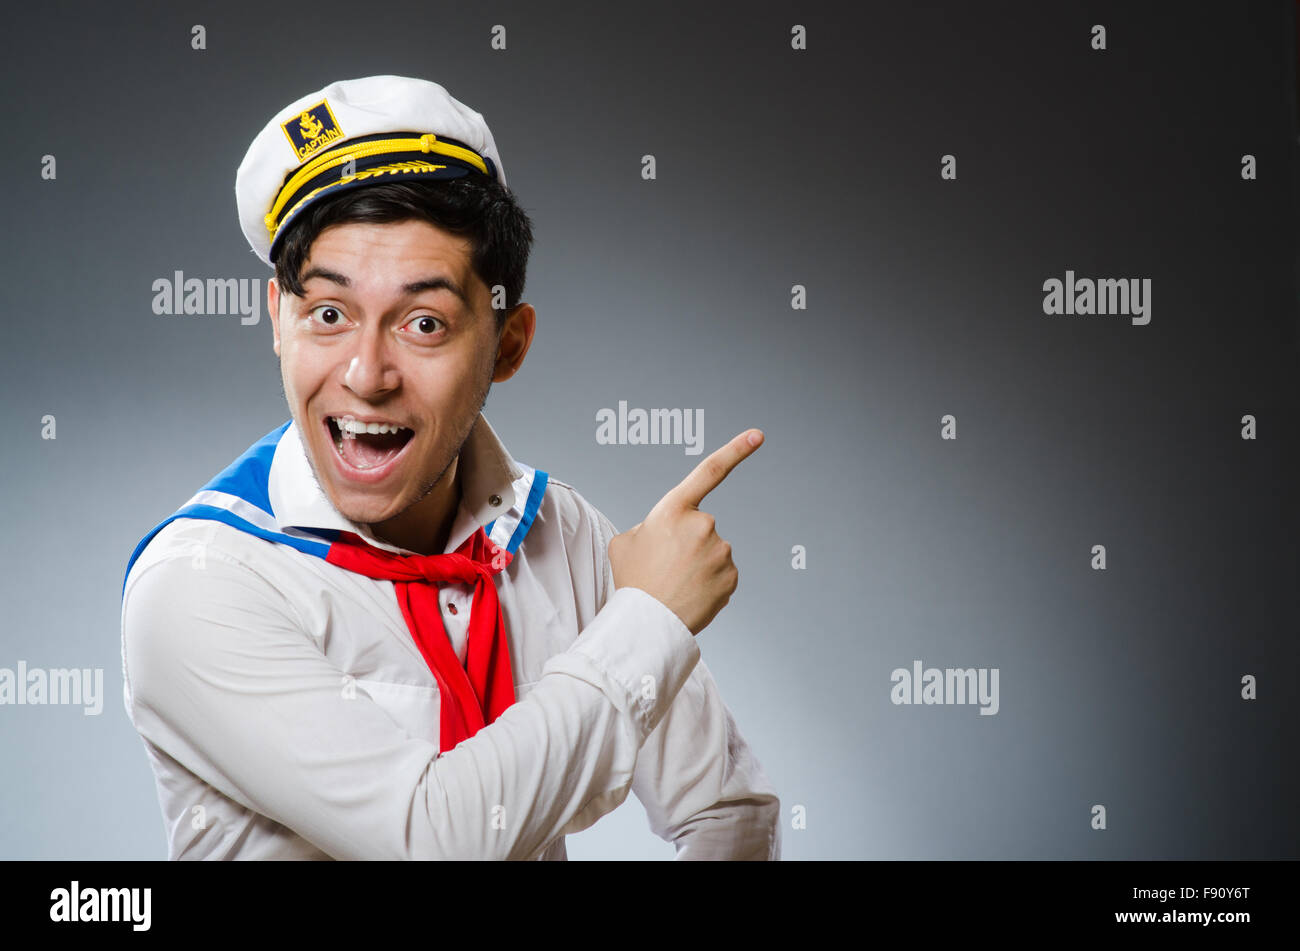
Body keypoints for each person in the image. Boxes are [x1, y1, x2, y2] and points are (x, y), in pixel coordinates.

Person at [119, 75, 781, 860]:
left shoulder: (562, 536)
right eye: (328, 314)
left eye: (423, 322)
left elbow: (728, 809)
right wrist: (647, 622)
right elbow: (431, 840)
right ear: (278, 319)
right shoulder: (201, 580)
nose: (366, 373)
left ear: (508, 345)